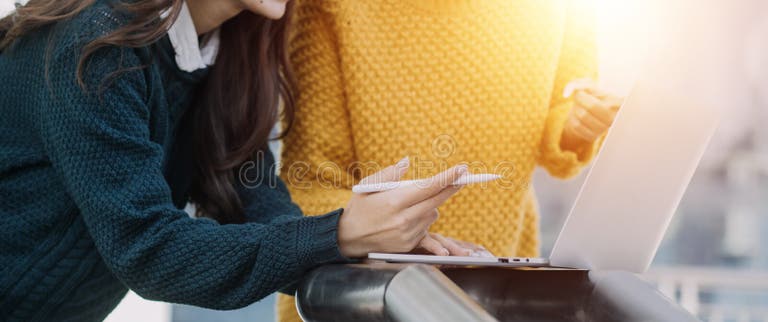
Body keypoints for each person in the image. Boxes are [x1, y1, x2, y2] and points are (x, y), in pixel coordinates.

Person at [0, 0, 474, 320]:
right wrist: (340, 232)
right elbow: (148, 250)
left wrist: (374, 247)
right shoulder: (94, 42)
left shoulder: (228, 59)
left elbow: (264, 209)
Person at [277, 0, 623, 319]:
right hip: (359, 301)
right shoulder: (330, 7)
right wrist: (385, 233)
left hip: (500, 293)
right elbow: (310, 182)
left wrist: (579, 124)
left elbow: (561, 119)